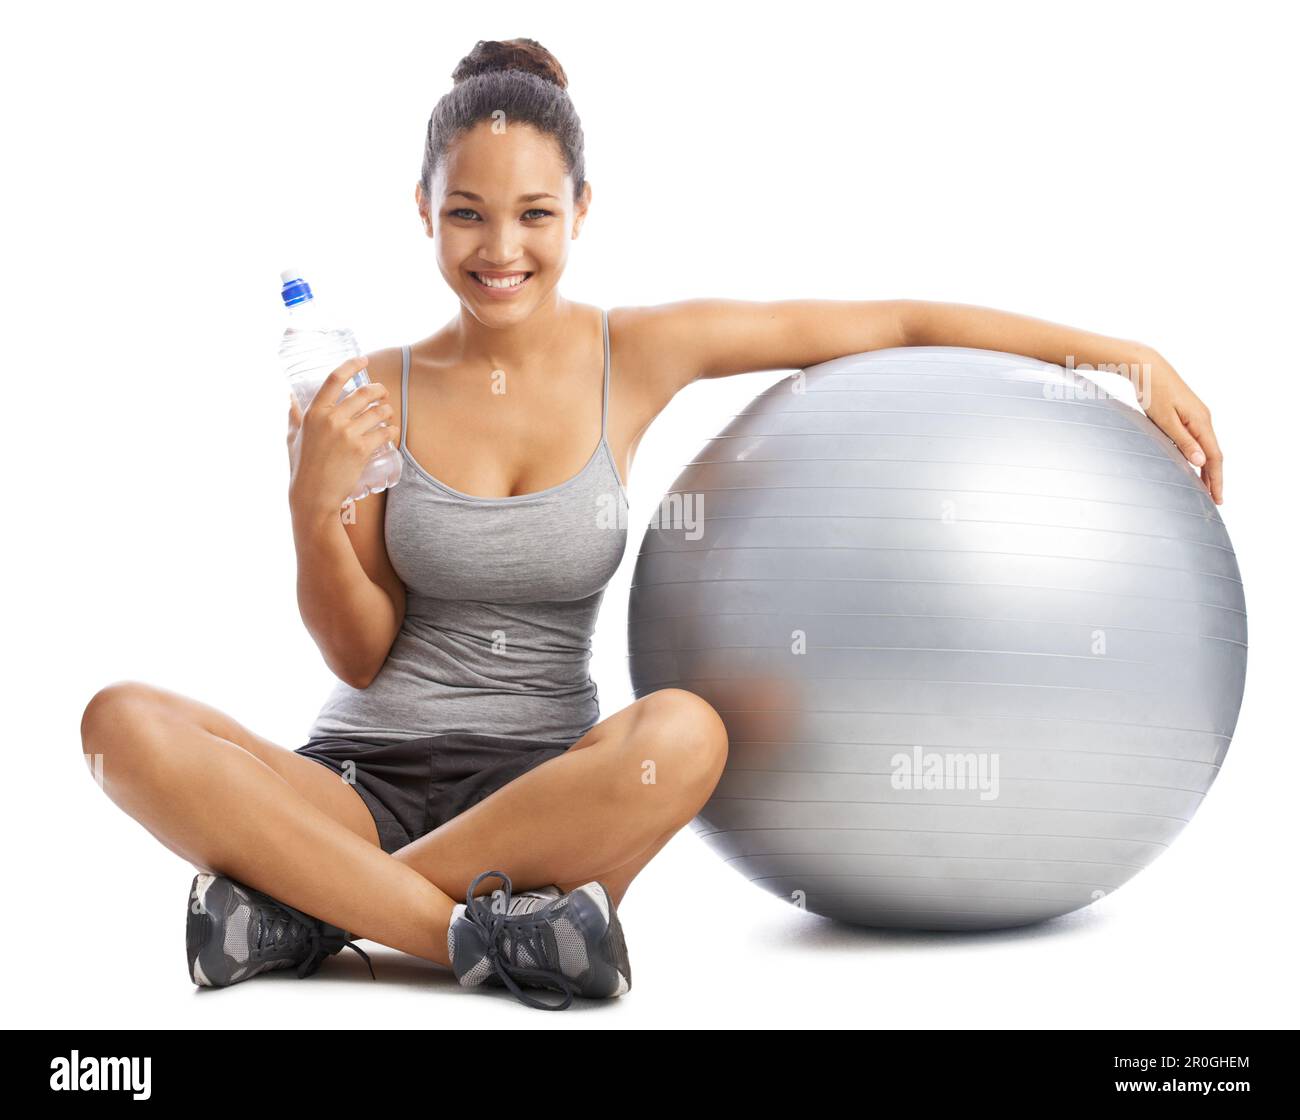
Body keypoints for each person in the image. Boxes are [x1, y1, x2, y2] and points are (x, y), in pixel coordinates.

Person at [80, 37, 1226, 1011]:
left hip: (548, 795)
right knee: (119, 721)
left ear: (581, 210)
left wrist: (1110, 352)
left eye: (533, 213)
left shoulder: (638, 353)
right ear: (422, 211)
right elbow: (360, 652)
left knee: (684, 735)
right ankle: (472, 937)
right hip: (356, 783)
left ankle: (307, 912)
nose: (500, 250)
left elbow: (887, 318)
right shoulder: (366, 384)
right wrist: (307, 497)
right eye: (467, 214)